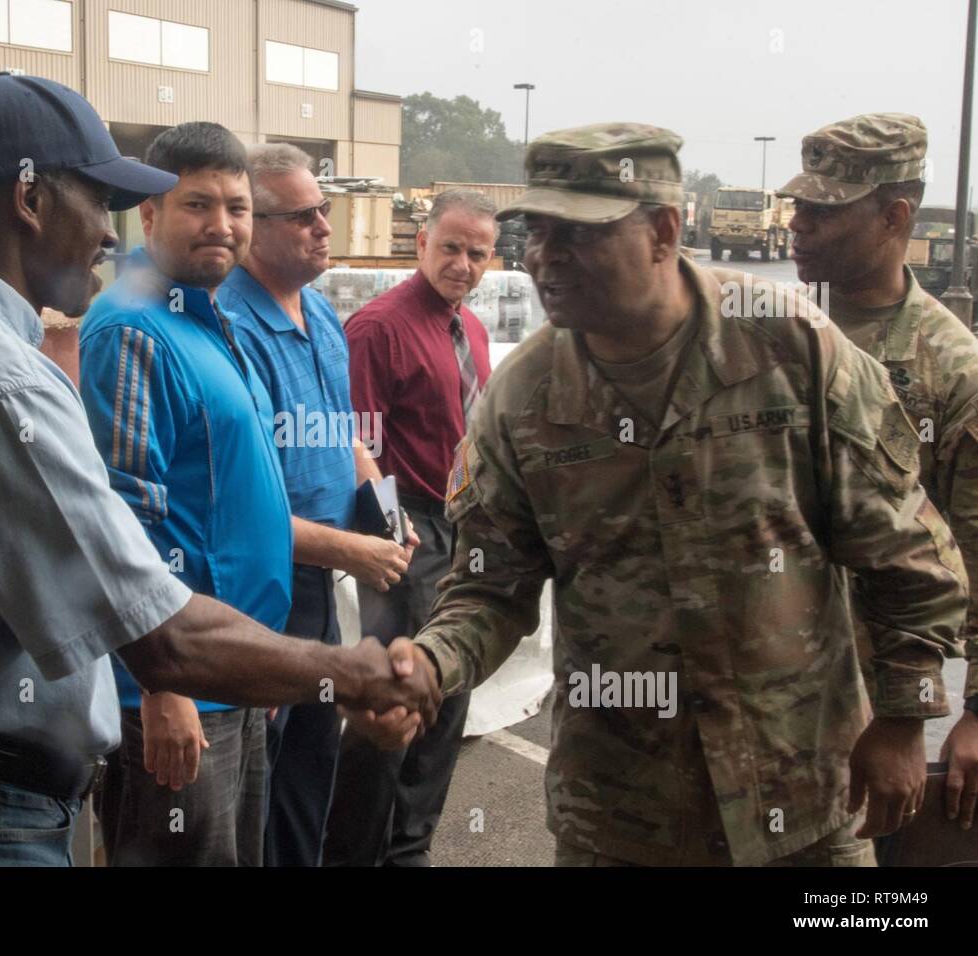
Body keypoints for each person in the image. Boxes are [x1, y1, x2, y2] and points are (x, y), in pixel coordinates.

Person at [0, 75, 439, 868]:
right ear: (30, 200)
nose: (108, 238)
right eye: (97, 202)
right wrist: (350, 673)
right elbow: (159, 634)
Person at [353, 122, 969, 866]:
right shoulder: (522, 400)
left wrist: (905, 718)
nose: (546, 257)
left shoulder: (791, 349)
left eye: (579, 235)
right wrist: (430, 666)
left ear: (664, 232)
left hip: (800, 801)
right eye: (539, 233)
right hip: (620, 818)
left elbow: (906, 549)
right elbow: (490, 590)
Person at [81, 122, 291, 866]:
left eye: (237, 208)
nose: (223, 225)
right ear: (149, 214)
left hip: (229, 670)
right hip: (181, 691)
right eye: (198, 204)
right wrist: (160, 687)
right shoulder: (135, 330)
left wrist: (254, 658)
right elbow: (123, 519)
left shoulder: (205, 316)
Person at [215, 143, 416, 866]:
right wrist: (349, 550)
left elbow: (347, 433)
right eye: (302, 217)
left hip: (319, 586)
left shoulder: (322, 317)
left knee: (308, 774)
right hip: (262, 591)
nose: (323, 227)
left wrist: (386, 509)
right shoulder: (233, 327)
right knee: (259, 784)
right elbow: (241, 508)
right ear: (254, 228)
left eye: (323, 210)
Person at [779, 112, 978, 831]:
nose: (797, 223)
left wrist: (970, 715)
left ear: (894, 216)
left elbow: (973, 549)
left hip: (872, 706)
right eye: (798, 205)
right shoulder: (777, 332)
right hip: (763, 692)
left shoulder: (949, 368)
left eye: (823, 210)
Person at [322, 188, 496, 867]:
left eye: (476, 253)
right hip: (409, 532)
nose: (462, 263)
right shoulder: (378, 328)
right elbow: (353, 443)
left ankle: (410, 847)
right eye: (450, 247)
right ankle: (354, 853)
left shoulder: (470, 329)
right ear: (420, 243)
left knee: (448, 695)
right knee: (393, 701)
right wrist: (394, 535)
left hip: (462, 527)